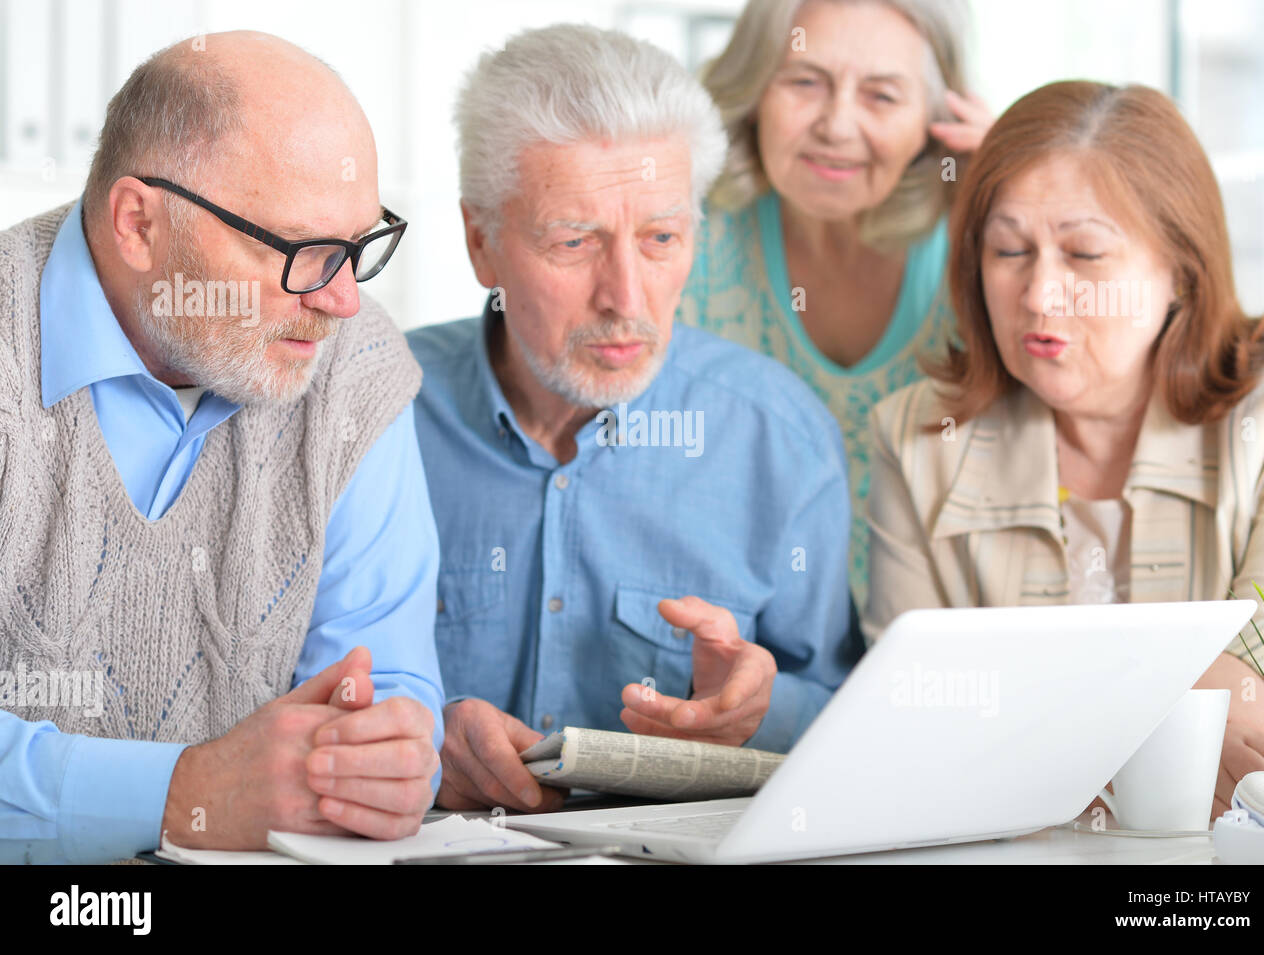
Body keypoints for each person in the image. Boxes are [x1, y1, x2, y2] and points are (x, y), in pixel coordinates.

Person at [0, 32, 443, 863]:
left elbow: (387, 689)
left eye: (360, 245)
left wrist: (387, 761)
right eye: (303, 251)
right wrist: (183, 794)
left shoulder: (356, 370)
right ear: (140, 223)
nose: (344, 300)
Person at [406, 24, 860, 813]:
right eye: (574, 240)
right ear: (482, 243)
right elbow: (272, 683)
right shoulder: (378, 416)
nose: (625, 296)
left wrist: (761, 709)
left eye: (660, 238)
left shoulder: (779, 439)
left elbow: (852, 716)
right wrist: (407, 733)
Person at [865, 80, 1264, 819]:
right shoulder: (914, 436)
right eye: (1008, 250)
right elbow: (913, 726)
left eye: (1085, 253)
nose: (1038, 295)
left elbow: (1251, 701)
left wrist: (1032, 733)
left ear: (1180, 274)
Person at [676, 0, 991, 612]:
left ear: (937, 117)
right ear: (754, 90)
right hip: (737, 628)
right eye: (804, 82)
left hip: (941, 639)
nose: (837, 126)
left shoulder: (990, 242)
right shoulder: (685, 233)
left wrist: (1024, 183)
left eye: (881, 96)